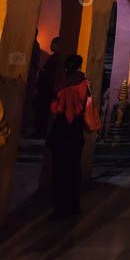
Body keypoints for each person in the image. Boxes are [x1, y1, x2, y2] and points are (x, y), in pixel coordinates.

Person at [46, 54, 90, 218]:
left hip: (61, 126)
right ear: (79, 66)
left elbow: (55, 107)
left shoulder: (60, 83)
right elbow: (88, 105)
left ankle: (60, 207)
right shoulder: (84, 83)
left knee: (59, 169)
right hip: (75, 127)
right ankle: (73, 206)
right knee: (73, 167)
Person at [35, 37, 62, 137]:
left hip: (47, 89)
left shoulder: (55, 58)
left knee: (43, 112)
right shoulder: (54, 58)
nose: (50, 46)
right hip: (48, 89)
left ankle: (40, 132)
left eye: (52, 44)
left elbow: (50, 75)